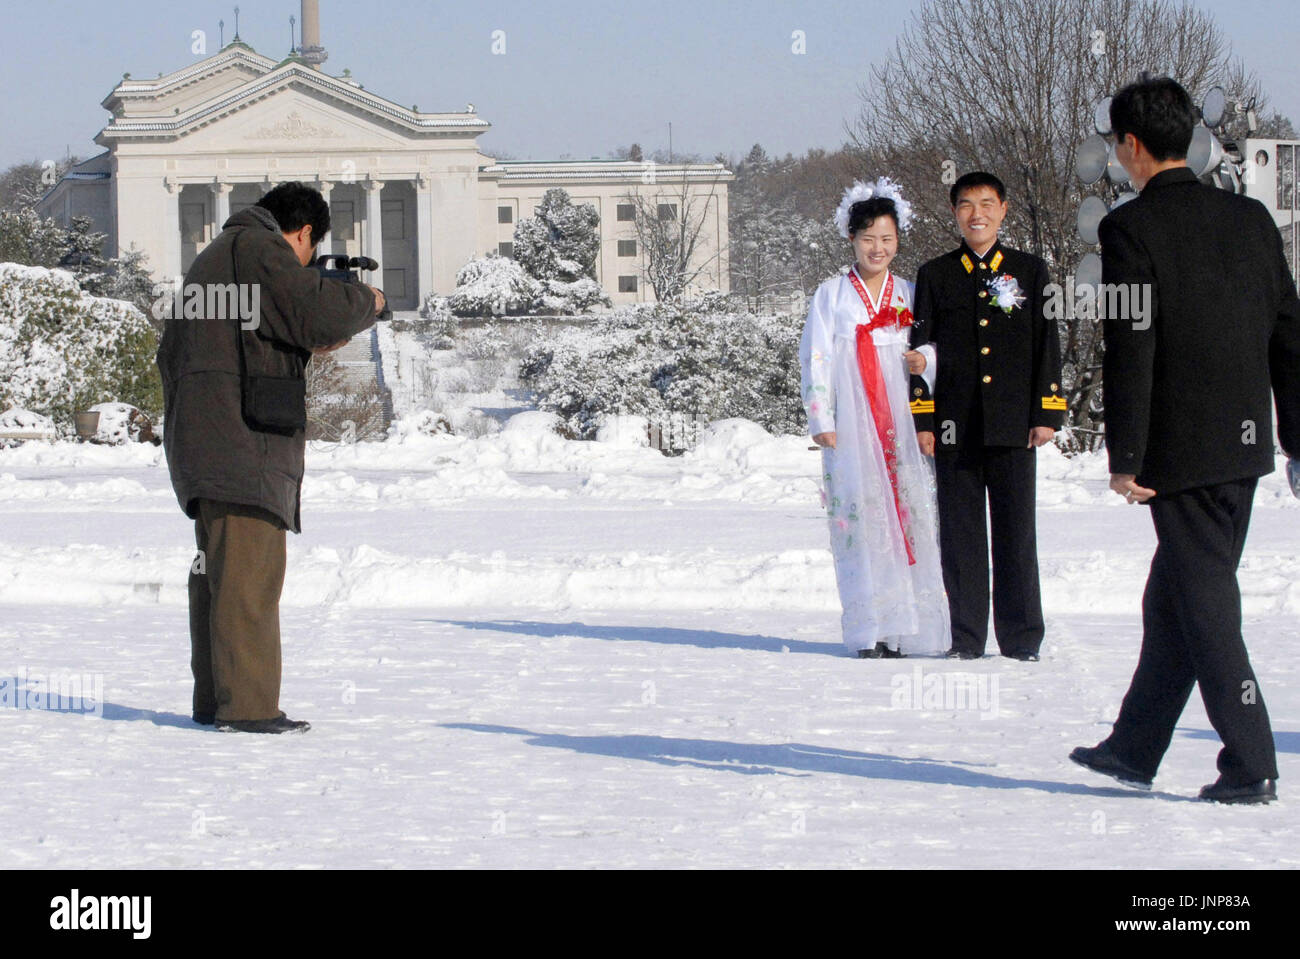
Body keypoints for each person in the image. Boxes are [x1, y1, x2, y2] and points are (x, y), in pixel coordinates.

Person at [1070, 77, 1300, 804]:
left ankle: (1251, 761)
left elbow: (1130, 344)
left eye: (1115, 144)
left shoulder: (1128, 229)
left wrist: (1128, 456)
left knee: (1204, 607)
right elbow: (1290, 332)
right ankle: (1135, 747)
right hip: (1243, 443)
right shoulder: (1252, 219)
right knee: (1172, 596)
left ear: (1131, 147)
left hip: (1181, 451)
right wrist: (1295, 436)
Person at [156, 181, 386, 734]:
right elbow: (313, 312)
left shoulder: (215, 260)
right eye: (308, 252)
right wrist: (371, 302)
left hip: (205, 440)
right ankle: (251, 708)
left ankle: (218, 701)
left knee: (218, 576)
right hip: (243, 444)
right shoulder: (259, 250)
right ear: (305, 232)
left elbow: (250, 333)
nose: (304, 263)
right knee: (249, 579)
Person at [909, 172, 1065, 661]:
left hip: (1014, 423)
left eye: (986, 203)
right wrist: (924, 419)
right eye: (965, 205)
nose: (976, 214)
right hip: (954, 424)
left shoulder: (1030, 271)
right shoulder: (935, 274)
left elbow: (1047, 344)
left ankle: (1021, 639)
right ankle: (966, 637)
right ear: (954, 212)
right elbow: (919, 350)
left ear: (1003, 209)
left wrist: (1047, 410)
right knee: (960, 535)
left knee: (1017, 532)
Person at [799, 179, 950, 658]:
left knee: (908, 516)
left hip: (901, 424)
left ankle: (909, 629)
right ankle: (870, 629)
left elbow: (937, 347)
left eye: (886, 238)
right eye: (868, 239)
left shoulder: (909, 292)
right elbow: (816, 356)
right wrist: (822, 417)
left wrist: (924, 356)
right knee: (863, 522)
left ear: (898, 240)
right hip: (855, 423)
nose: (877, 248)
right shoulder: (831, 295)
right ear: (851, 239)